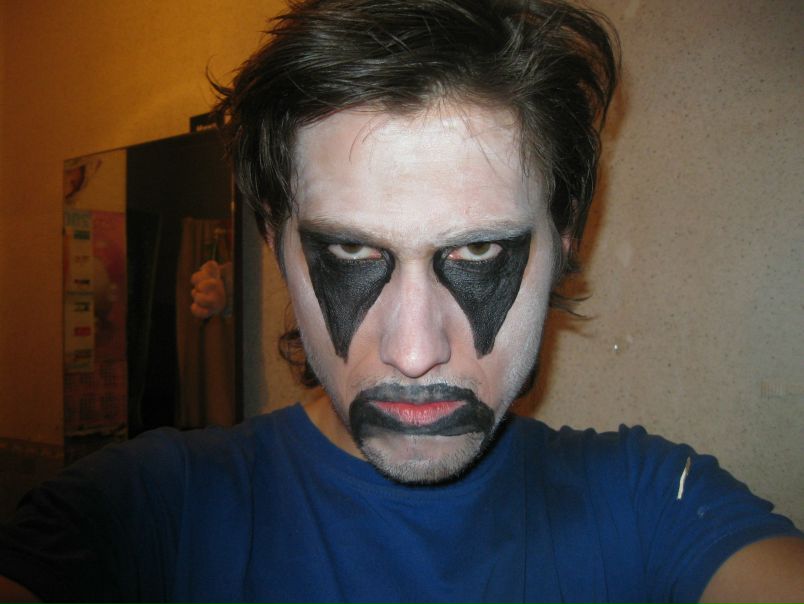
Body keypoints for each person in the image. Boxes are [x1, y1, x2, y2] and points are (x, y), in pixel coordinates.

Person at [2, 0, 803, 602]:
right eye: (351, 252)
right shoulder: (148, 512)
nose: (414, 352)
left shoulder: (651, 506)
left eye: (479, 252)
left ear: (565, 240)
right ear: (275, 241)